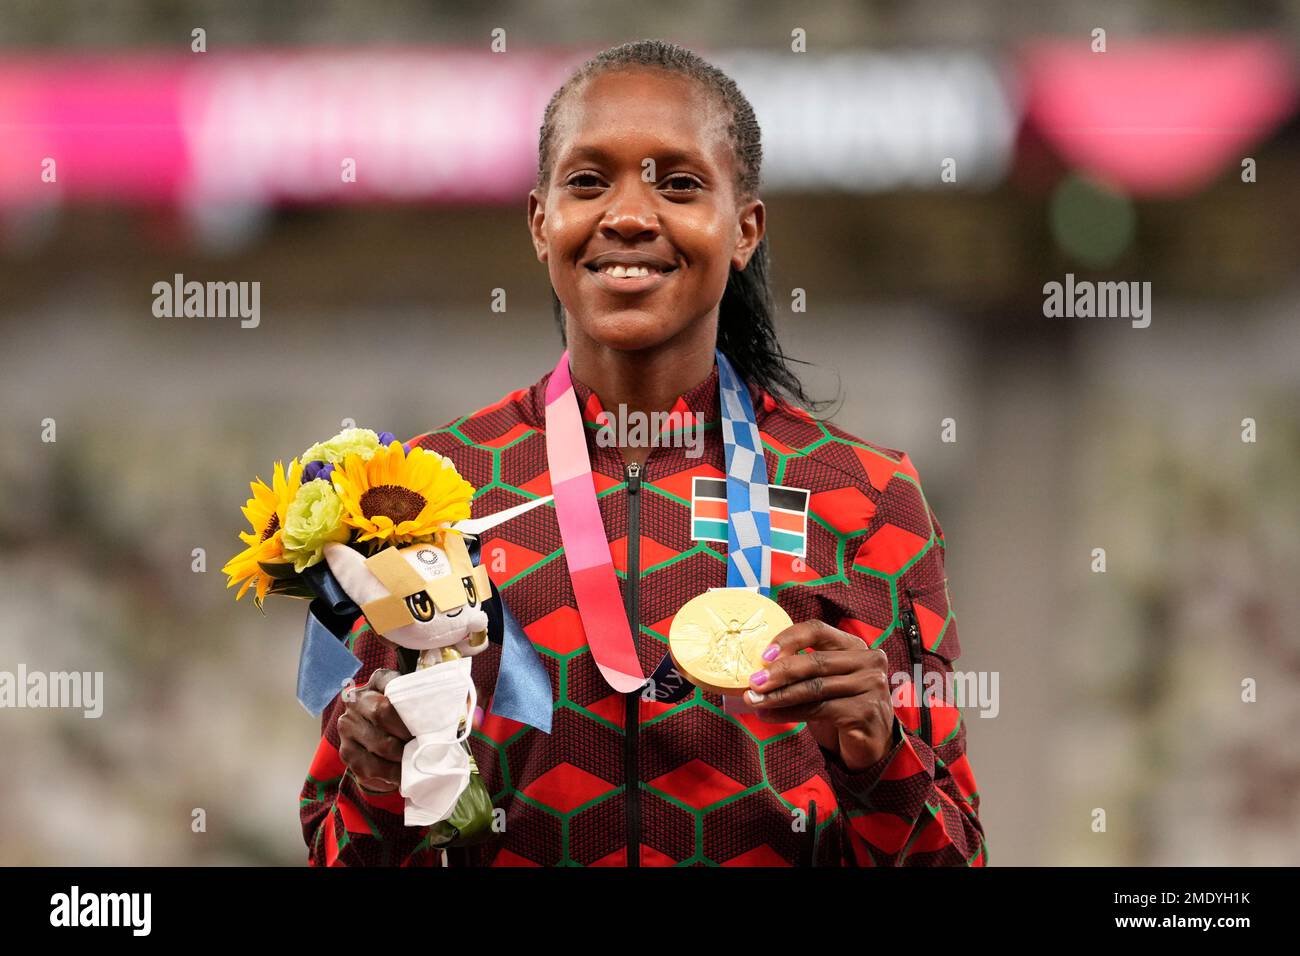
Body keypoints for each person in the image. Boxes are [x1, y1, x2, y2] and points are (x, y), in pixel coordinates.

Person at [300, 39, 986, 867]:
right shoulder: (422, 492)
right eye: (588, 181)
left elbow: (957, 856)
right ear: (540, 222)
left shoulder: (866, 496)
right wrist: (379, 785)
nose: (628, 214)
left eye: (681, 183)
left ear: (745, 229)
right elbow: (336, 850)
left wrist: (875, 753)